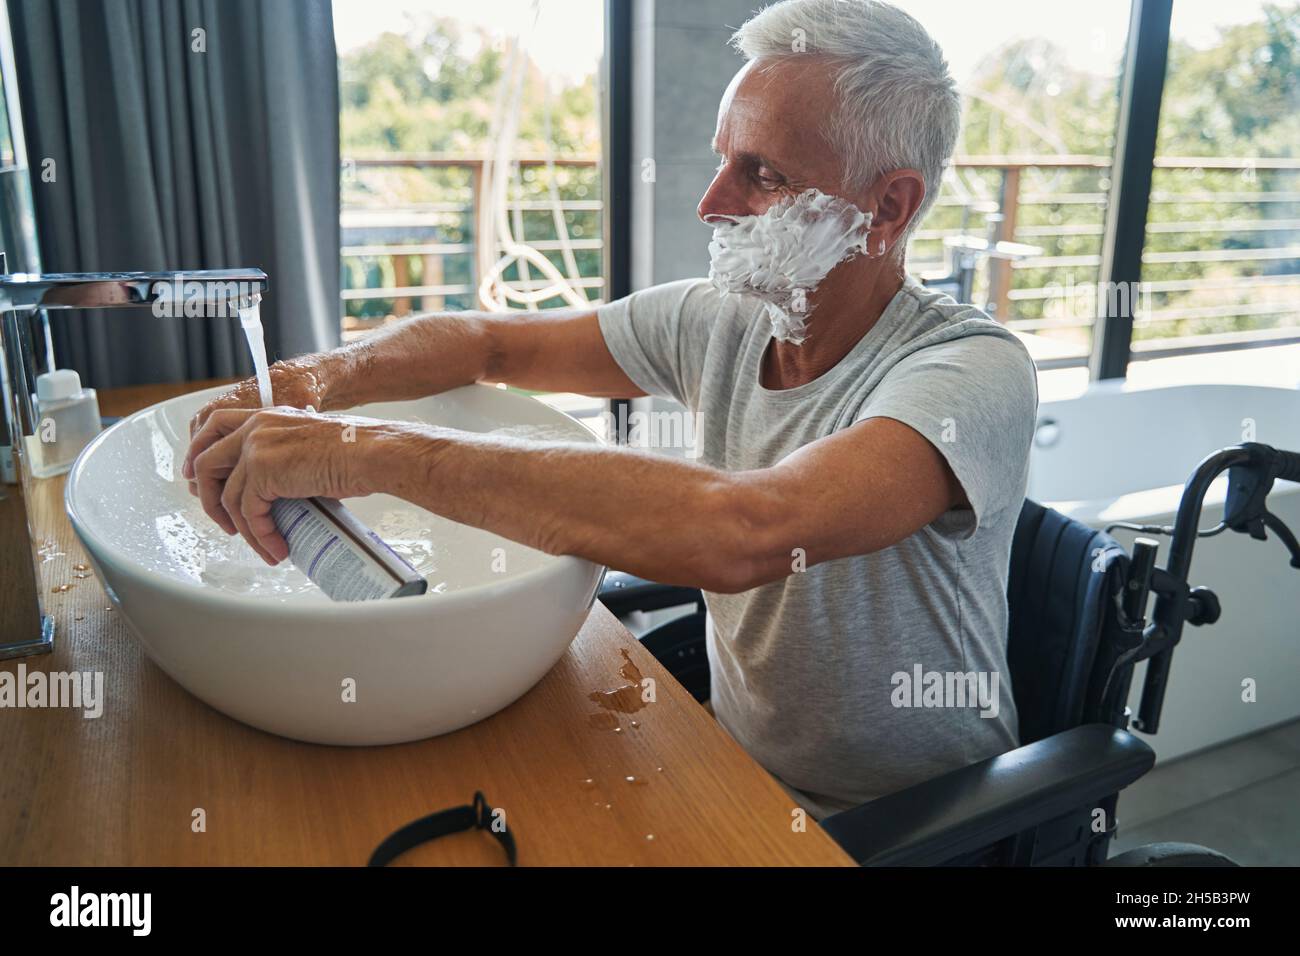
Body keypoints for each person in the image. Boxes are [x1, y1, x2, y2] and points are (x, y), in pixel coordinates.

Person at [185, 0, 1037, 819]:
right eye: (721, 160)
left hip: (914, 823)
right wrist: (305, 384)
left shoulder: (970, 373)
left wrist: (358, 451)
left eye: (763, 176)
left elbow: (748, 528)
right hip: (740, 767)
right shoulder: (727, 320)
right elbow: (489, 342)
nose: (711, 203)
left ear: (887, 209)